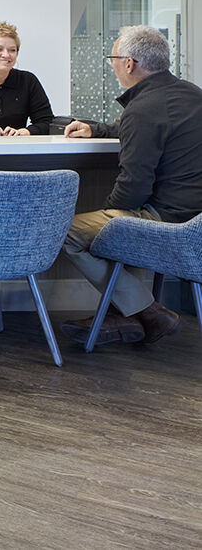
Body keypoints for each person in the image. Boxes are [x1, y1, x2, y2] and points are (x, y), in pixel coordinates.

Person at [58, 24, 202, 346]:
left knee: (68, 232)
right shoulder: (193, 95)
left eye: (112, 59)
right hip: (197, 221)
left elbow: (132, 189)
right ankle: (121, 317)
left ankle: (149, 311)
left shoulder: (143, 109)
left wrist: (111, 215)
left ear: (129, 63)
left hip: (167, 219)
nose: (112, 66)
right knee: (121, 225)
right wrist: (98, 130)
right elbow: (145, 128)